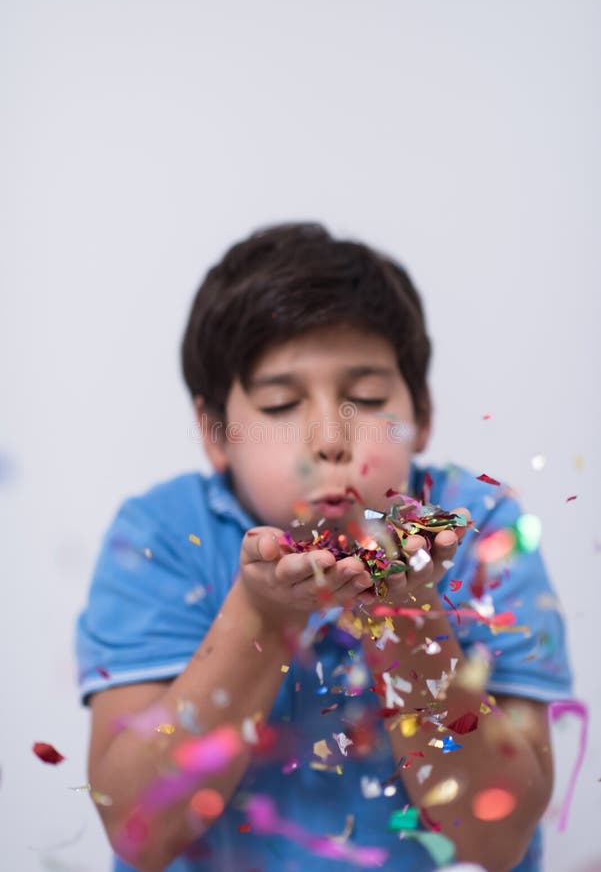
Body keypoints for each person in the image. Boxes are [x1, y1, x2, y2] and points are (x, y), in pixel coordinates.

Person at [75, 223, 572, 872]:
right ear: (214, 431)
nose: (327, 440)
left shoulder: (481, 527)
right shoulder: (160, 535)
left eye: (364, 399)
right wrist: (264, 614)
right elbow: (141, 831)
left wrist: (406, 612)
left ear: (419, 412)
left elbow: (493, 841)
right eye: (281, 404)